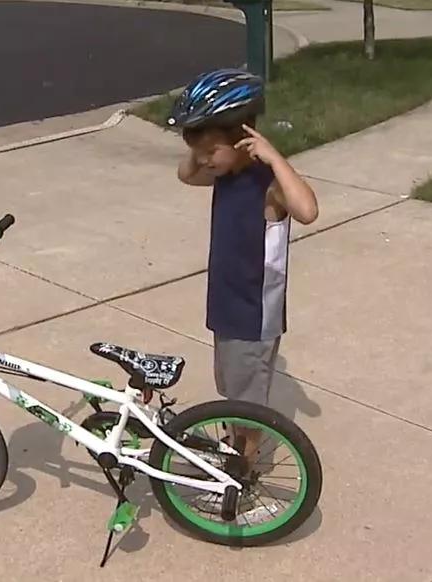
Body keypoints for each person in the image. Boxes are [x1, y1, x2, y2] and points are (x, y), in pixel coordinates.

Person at [170, 69, 319, 473]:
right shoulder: (228, 173)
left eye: (210, 150)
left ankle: (243, 471)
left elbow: (307, 210)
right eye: (199, 151)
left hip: (253, 314)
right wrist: (200, 146)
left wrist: (274, 157)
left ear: (243, 139)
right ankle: (235, 447)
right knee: (233, 389)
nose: (204, 160)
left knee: (247, 403)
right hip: (226, 305)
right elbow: (186, 175)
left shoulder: (267, 185)